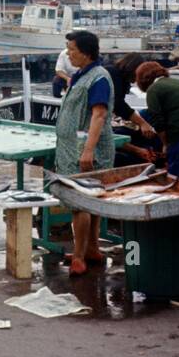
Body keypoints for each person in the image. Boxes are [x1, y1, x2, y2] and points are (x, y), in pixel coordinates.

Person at [54, 30, 115, 275]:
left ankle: (79, 256)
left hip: (86, 150)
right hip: (71, 148)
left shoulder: (98, 77)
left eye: (72, 50)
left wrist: (88, 151)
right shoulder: (80, 74)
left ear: (87, 53)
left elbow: (99, 114)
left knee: (82, 202)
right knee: (90, 200)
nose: (69, 55)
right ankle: (91, 248)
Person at [136, 61, 179, 177]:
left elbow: (157, 120)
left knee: (176, 175)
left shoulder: (154, 89)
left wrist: (165, 144)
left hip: (177, 134)